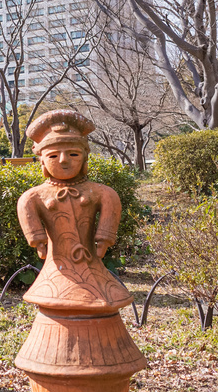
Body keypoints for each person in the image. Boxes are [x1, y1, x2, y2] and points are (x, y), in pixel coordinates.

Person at [16, 109, 132, 312]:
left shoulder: (98, 191)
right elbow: (25, 203)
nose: (63, 160)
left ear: (85, 157)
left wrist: (104, 238)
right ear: (42, 160)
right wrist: (37, 240)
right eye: (53, 155)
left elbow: (110, 199)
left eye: (73, 153)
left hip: (92, 262)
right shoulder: (35, 195)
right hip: (56, 266)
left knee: (100, 295)